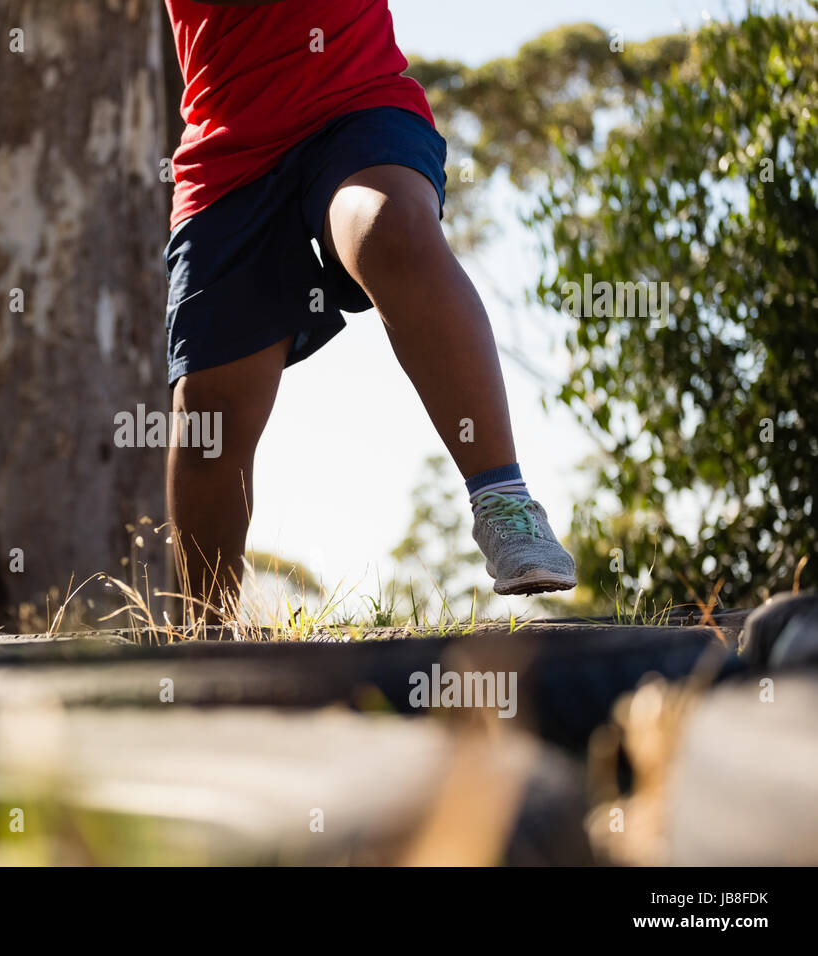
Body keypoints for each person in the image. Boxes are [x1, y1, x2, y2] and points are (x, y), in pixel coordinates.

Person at [162, 0, 576, 620]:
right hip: (227, 148)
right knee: (208, 412)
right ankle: (204, 637)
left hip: (354, 103)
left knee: (393, 230)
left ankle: (503, 501)